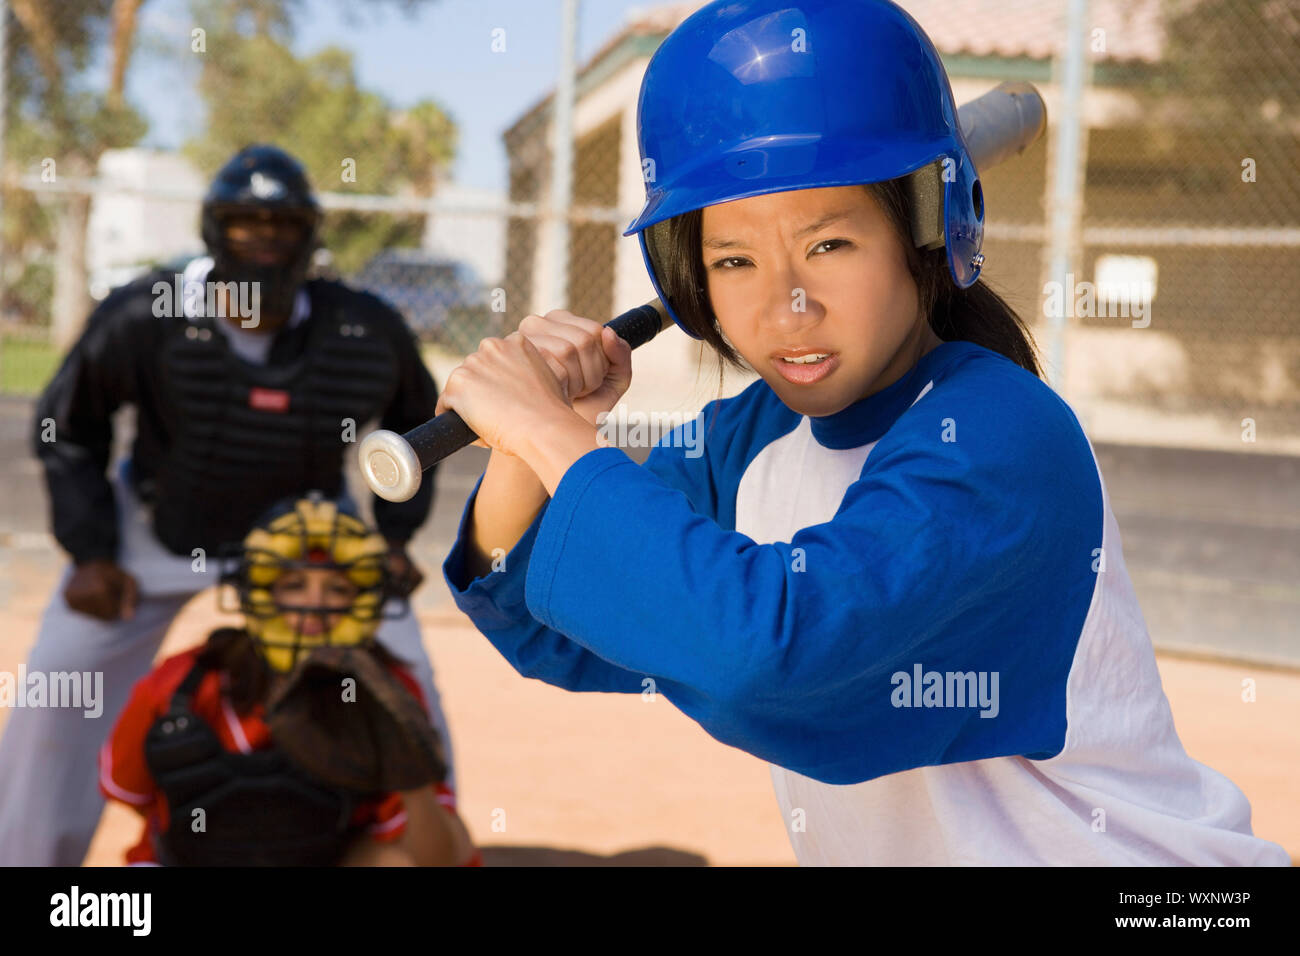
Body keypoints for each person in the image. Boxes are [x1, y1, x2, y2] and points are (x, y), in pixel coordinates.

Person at [431, 0, 1290, 865]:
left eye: (831, 243)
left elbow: (775, 662)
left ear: (926, 236)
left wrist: (550, 437)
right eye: (734, 260)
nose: (786, 303)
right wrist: (533, 444)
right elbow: (551, 620)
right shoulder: (746, 440)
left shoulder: (1000, 435)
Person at [0, 144, 456, 866]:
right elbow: (70, 425)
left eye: (281, 224)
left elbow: (416, 424)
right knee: (60, 683)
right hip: (151, 531)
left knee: (403, 673)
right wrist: (89, 552)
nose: (264, 239)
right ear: (215, 230)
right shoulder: (148, 313)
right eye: (246, 223)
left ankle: (428, 844)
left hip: (310, 539)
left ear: (309, 235)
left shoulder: (362, 327)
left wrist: (394, 540)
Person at [99, 493, 480, 866]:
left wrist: (413, 784)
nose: (314, 604)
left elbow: (440, 858)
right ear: (260, 591)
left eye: (337, 589)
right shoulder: (184, 679)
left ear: (364, 600)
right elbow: (130, 791)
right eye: (294, 585)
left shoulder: (382, 687)